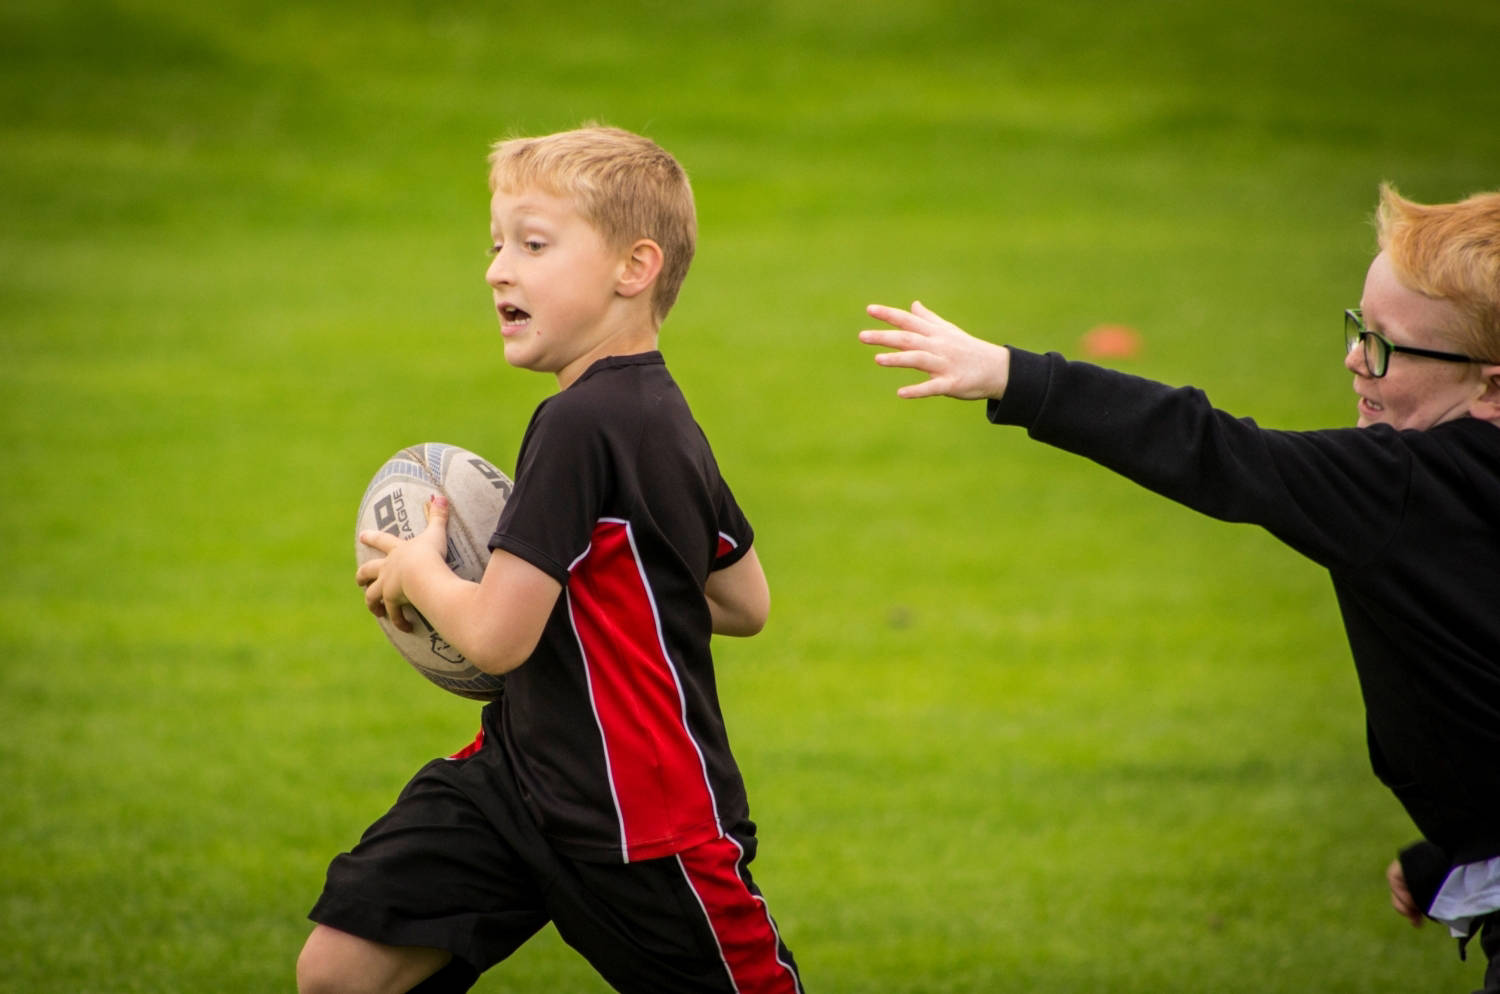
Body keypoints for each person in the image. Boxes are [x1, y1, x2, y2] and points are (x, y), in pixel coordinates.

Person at [859, 184, 1500, 992]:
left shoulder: (1403, 485)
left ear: (1489, 387)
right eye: (1357, 329)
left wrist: (1013, 378)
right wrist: (1464, 837)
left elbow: (1214, 452)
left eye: (1386, 347)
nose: (1353, 358)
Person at [297, 126, 805, 994]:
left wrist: (422, 571)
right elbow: (741, 597)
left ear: (633, 268)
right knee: (342, 971)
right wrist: (598, 597)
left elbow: (495, 640)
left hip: (640, 823)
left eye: (534, 244)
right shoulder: (666, 417)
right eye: (496, 245)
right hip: (522, 778)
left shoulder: (575, 426)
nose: (499, 269)